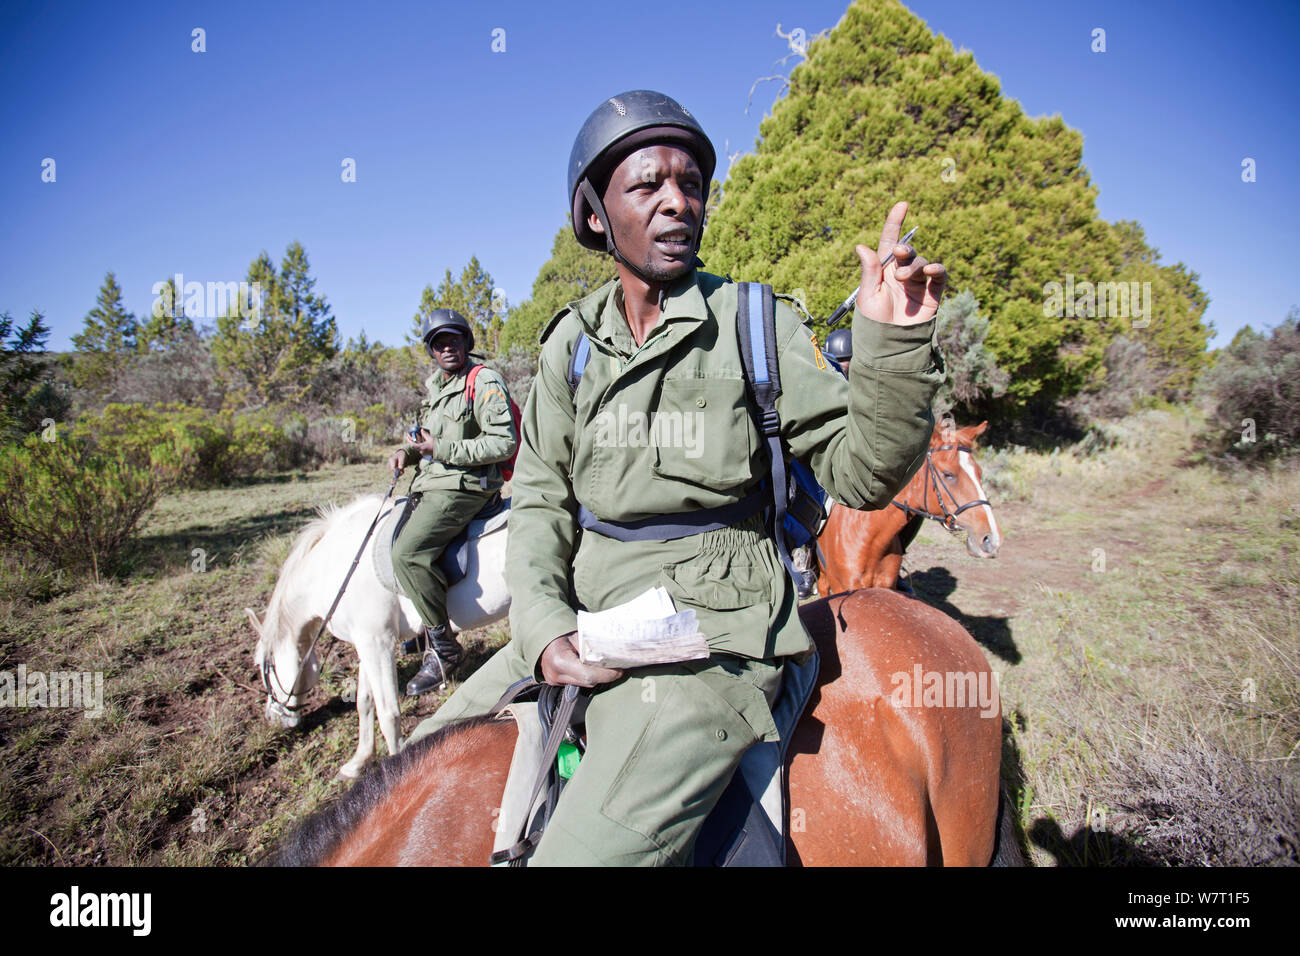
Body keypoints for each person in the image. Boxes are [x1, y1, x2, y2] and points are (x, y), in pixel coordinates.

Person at [408, 90, 947, 865]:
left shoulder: (753, 322)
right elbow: (537, 499)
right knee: (420, 760)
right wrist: (543, 628)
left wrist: (893, 347)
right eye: (649, 184)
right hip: (593, 610)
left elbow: (861, 474)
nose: (677, 203)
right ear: (596, 215)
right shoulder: (572, 346)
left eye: (690, 184)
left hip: (714, 632)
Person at [387, 308, 517, 696]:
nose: (448, 347)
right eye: (439, 342)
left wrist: (438, 447)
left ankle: (443, 649)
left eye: (454, 339)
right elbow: (426, 437)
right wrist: (407, 453)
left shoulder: (484, 381)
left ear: (466, 342)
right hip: (433, 482)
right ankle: (425, 625)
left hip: (467, 486)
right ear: (431, 349)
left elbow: (503, 442)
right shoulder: (436, 386)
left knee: (407, 554)